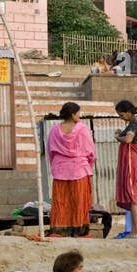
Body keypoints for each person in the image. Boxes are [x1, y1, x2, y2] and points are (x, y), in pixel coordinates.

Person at [47, 102, 96, 238]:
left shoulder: (54, 130)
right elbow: (91, 151)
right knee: (79, 201)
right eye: (78, 113)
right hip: (79, 169)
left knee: (61, 201)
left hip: (60, 169)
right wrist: (89, 166)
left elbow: (50, 151)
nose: (79, 116)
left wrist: (55, 167)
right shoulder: (82, 129)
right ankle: (79, 230)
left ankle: (59, 230)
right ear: (73, 114)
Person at [113, 99, 137, 239]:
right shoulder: (133, 123)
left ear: (127, 113)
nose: (121, 118)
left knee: (134, 195)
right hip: (134, 160)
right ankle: (134, 230)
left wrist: (117, 137)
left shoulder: (134, 123)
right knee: (133, 194)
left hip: (133, 161)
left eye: (121, 115)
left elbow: (128, 140)